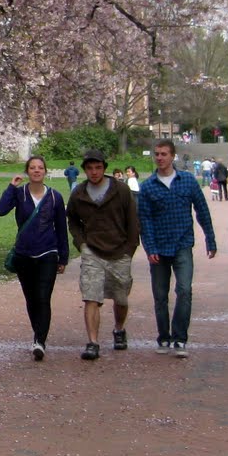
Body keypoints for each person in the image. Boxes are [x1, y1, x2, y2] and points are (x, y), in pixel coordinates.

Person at [137, 139, 216, 356]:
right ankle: (164, 336)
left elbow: (202, 211)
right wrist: (150, 247)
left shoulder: (188, 181)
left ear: (173, 156)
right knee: (160, 295)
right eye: (157, 154)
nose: (160, 158)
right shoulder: (147, 187)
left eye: (164, 154)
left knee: (184, 290)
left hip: (182, 244)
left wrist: (210, 239)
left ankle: (180, 337)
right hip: (159, 247)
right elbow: (145, 220)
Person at [66, 151, 140, 359]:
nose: (94, 172)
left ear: (104, 168)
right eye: (90, 168)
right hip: (92, 251)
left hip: (119, 250)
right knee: (91, 296)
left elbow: (133, 220)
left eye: (98, 168)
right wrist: (81, 243)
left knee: (121, 298)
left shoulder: (121, 190)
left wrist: (130, 248)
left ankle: (119, 328)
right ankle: (93, 342)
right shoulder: (79, 193)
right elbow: (72, 219)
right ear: (85, 170)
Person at [0, 155, 69, 361]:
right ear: (27, 172)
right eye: (33, 168)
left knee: (43, 297)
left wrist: (63, 257)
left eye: (40, 168)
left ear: (45, 172)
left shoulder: (55, 197)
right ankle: (37, 332)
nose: (37, 171)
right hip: (24, 253)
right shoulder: (20, 195)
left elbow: (62, 229)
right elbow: (0, 211)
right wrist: (11, 187)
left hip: (48, 252)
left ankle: (40, 340)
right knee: (31, 298)